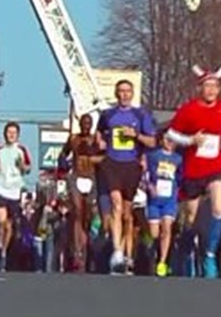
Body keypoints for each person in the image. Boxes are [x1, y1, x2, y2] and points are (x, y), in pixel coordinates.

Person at [166, 64, 221, 279]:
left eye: (214, 86)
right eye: (207, 86)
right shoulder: (189, 110)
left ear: (219, 89)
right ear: (200, 88)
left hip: (216, 167)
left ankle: (209, 254)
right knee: (191, 218)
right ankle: (186, 251)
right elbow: (172, 134)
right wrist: (191, 140)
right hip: (193, 170)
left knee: (218, 207)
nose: (210, 90)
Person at [96, 80, 157, 274]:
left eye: (127, 91)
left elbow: (152, 141)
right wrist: (100, 142)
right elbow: (99, 132)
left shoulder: (140, 115)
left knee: (127, 214)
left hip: (131, 166)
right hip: (112, 163)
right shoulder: (108, 114)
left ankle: (124, 252)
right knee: (116, 204)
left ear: (132, 94)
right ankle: (117, 251)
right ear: (116, 93)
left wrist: (136, 135)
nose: (124, 95)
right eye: (121, 91)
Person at [59, 112, 104, 272]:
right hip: (76, 176)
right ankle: (77, 252)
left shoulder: (95, 140)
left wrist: (94, 158)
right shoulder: (73, 139)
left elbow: (104, 157)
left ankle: (86, 249)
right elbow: (63, 154)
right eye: (83, 123)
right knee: (77, 212)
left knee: (88, 216)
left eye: (88, 123)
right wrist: (63, 167)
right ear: (80, 124)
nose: (86, 126)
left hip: (91, 177)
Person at [0, 121, 32, 271]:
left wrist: (21, 165)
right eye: (9, 132)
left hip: (15, 190)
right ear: (5, 134)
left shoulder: (21, 150)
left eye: (14, 133)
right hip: (1, 188)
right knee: (2, 221)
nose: (11, 135)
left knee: (10, 225)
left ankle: (3, 251)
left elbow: (27, 169)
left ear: (18, 135)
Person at [144, 130, 183, 277]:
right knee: (154, 234)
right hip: (154, 200)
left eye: (172, 140)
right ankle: (152, 254)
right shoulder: (153, 156)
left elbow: (181, 178)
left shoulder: (178, 159)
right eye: (167, 139)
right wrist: (149, 186)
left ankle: (162, 262)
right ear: (161, 141)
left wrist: (178, 192)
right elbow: (145, 175)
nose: (169, 143)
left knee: (167, 229)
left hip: (169, 200)